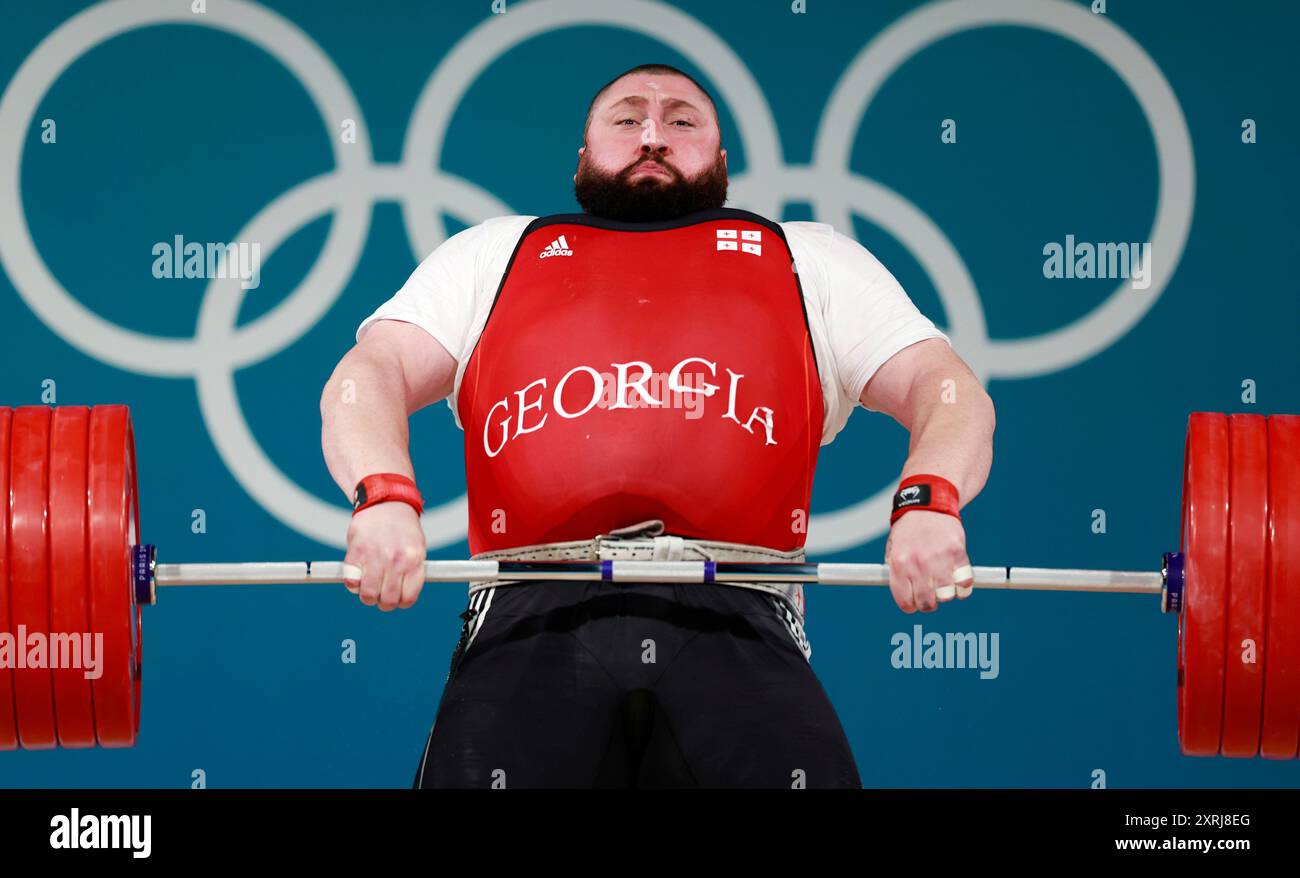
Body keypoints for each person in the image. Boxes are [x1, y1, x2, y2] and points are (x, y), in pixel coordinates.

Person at [320, 63, 996, 788]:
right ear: (583, 156)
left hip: (740, 609)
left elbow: (946, 388)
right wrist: (384, 496)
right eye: (625, 119)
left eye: (681, 121)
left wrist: (930, 501)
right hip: (530, 612)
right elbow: (370, 373)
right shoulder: (494, 251)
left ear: (722, 160)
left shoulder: (808, 257)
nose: (652, 135)